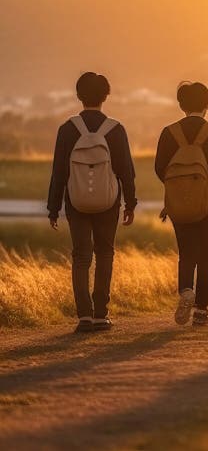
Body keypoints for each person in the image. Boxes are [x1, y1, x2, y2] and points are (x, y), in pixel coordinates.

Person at [47, 72, 137, 333]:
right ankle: (101, 314)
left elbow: (59, 173)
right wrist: (130, 204)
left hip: (76, 202)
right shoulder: (115, 130)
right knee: (105, 254)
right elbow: (126, 171)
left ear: (78, 95)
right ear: (105, 95)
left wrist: (53, 208)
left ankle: (83, 315)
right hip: (109, 202)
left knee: (81, 256)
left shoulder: (67, 129)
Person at [155, 82, 208, 326]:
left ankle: (185, 290)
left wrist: (177, 193)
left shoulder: (169, 133)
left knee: (186, 253)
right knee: (207, 256)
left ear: (181, 105)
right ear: (207, 104)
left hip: (179, 206)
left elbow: (160, 168)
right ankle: (201, 311)